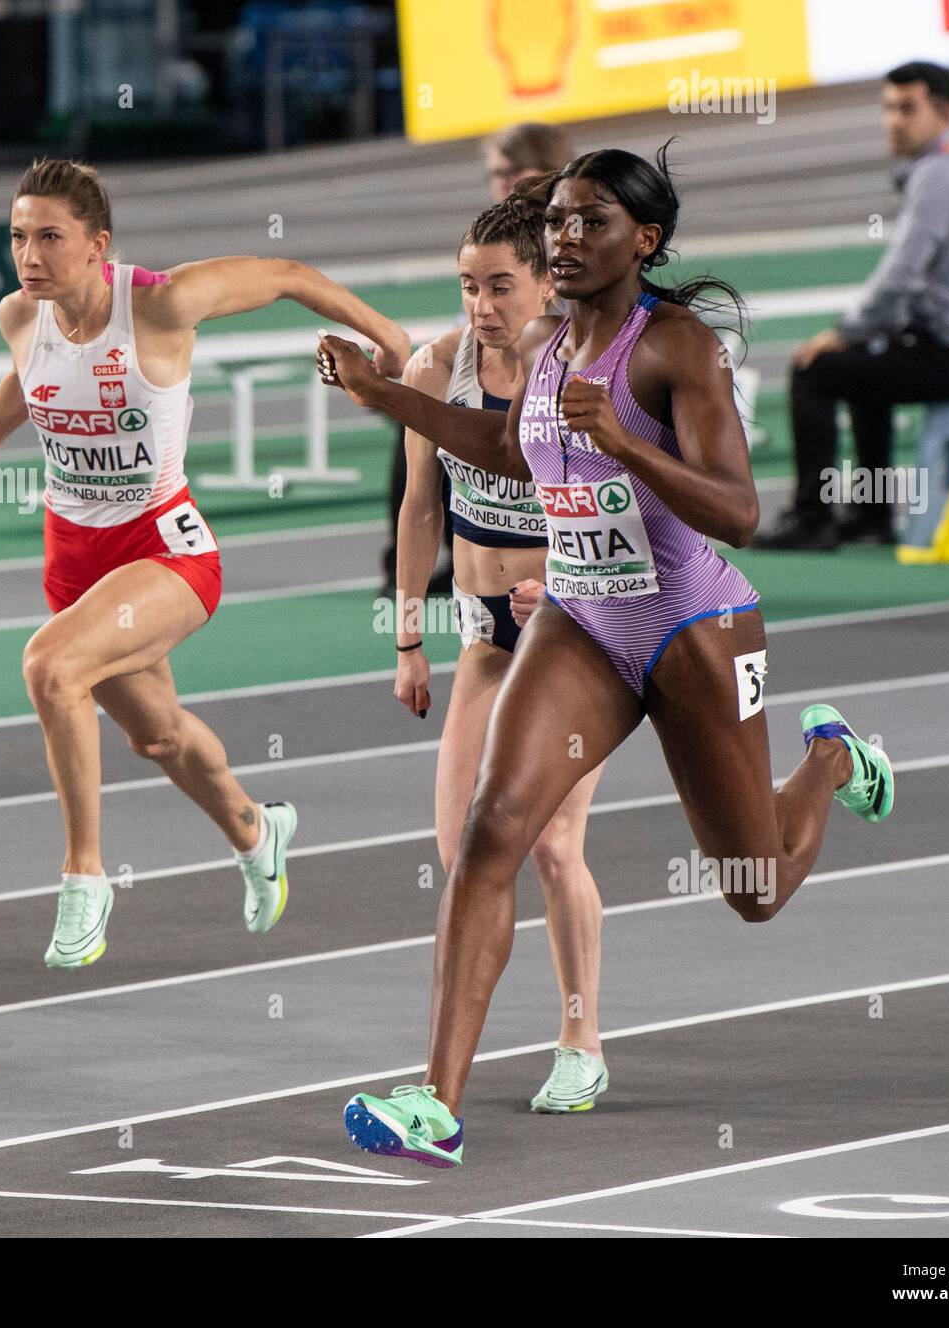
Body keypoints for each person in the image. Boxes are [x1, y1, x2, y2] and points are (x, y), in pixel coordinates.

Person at [318, 146, 895, 1167]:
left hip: (690, 627)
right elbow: (505, 450)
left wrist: (629, 445)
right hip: (579, 616)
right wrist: (385, 396)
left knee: (753, 885)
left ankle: (834, 757)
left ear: (647, 240)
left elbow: (742, 511)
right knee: (494, 825)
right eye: (559, 223)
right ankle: (435, 1103)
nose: (569, 239)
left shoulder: (674, 348)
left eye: (593, 222)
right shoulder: (547, 347)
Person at [0, 158, 410, 969]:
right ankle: (256, 829)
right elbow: (28, 378)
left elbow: (282, 273)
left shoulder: (161, 302)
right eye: (16, 237)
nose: (29, 255)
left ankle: (84, 878)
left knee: (49, 668)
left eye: (49, 237)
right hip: (73, 560)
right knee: (161, 738)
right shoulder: (19, 315)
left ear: (97, 244)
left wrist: (387, 336)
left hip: (165, 550)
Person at [396, 185, 609, 1113]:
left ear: (545, 287)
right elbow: (420, 507)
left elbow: (628, 513)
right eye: (467, 286)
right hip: (486, 638)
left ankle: (580, 1039)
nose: (481, 306)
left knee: (556, 845)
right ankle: (447, 1063)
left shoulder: (580, 378)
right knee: (467, 854)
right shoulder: (436, 366)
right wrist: (409, 635)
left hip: (578, 635)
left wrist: (562, 585)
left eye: (499, 287)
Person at [756, 60, 949, 551]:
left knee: (814, 370)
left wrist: (845, 331)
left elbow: (899, 277)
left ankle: (812, 518)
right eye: (887, 108)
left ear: (944, 114)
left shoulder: (937, 178)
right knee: (866, 368)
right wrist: (869, 334)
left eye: (907, 108)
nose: (893, 120)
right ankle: (871, 516)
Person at [378, 122, 577, 596]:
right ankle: (447, 554)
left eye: (514, 171)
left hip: (571, 578)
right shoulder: (491, 244)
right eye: (496, 173)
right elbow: (477, 326)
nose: (503, 183)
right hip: (487, 603)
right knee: (423, 429)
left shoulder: (580, 258)